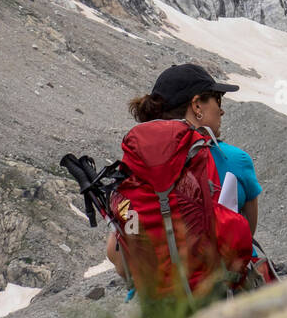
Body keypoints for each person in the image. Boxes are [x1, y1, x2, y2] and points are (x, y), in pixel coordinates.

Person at [106, 63, 262, 277]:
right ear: (197, 105)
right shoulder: (235, 160)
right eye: (218, 99)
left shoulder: (138, 164)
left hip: (159, 300)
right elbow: (246, 237)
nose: (221, 110)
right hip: (222, 293)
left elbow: (119, 259)